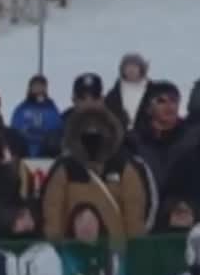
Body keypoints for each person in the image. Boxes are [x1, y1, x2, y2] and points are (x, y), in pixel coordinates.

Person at [43, 104, 153, 243]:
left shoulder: (123, 166)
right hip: (72, 254)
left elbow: (135, 214)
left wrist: (135, 250)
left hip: (115, 253)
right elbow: (52, 213)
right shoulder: (65, 167)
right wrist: (56, 250)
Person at [127, 81, 199, 217]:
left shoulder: (194, 140)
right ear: (148, 108)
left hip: (189, 216)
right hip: (146, 218)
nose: (169, 106)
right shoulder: (133, 143)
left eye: (173, 100)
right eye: (161, 101)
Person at [11, 75, 64, 159]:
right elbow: (15, 129)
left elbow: (57, 128)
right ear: (30, 88)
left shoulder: (52, 108)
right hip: (25, 152)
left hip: (46, 153)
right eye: (36, 86)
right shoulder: (22, 109)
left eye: (42, 86)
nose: (39, 89)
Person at [106, 51, 151, 131]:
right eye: (128, 67)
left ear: (141, 68)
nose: (131, 70)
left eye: (134, 66)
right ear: (122, 69)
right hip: (120, 136)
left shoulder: (152, 90)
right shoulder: (113, 94)